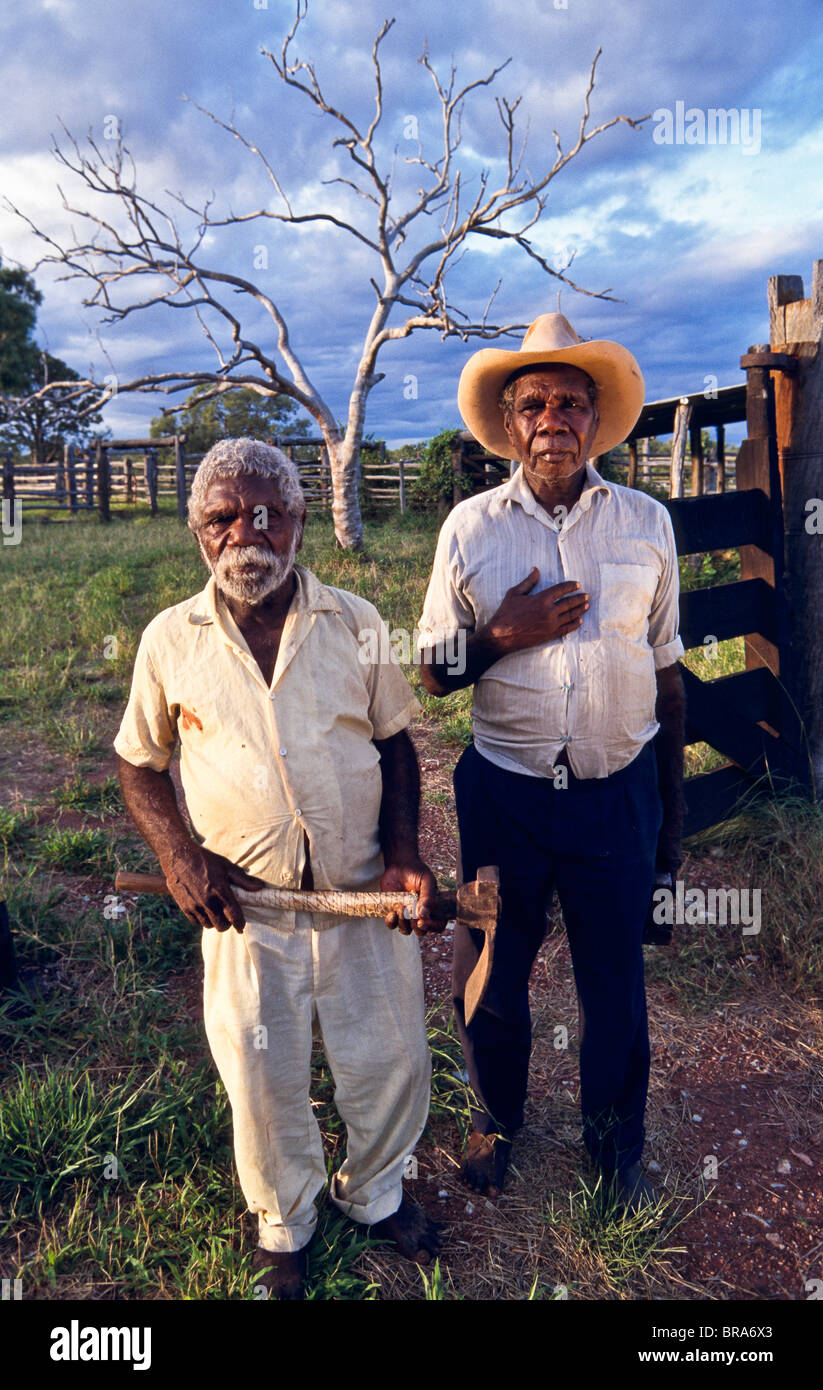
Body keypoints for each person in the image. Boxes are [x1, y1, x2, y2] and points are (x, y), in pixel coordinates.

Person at [114, 438, 440, 1299]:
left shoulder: (356, 621)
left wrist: (404, 853)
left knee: (391, 1059)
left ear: (297, 522)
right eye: (222, 517)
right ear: (197, 533)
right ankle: (283, 1220)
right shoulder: (168, 640)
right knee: (261, 1075)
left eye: (266, 513)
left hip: (361, 892)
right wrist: (180, 857)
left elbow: (394, 742)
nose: (245, 533)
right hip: (243, 911)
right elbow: (138, 764)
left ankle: (375, 1194)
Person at [418, 314, 685, 1213]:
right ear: (508, 423)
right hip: (506, 796)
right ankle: (495, 1121)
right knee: (494, 968)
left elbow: (666, 672)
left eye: (571, 402)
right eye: (532, 403)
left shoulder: (646, 524)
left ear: (595, 419)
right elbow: (429, 672)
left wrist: (669, 831)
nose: (552, 418)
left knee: (616, 987)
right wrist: (501, 634)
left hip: (617, 797)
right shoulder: (469, 530)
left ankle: (615, 1153)